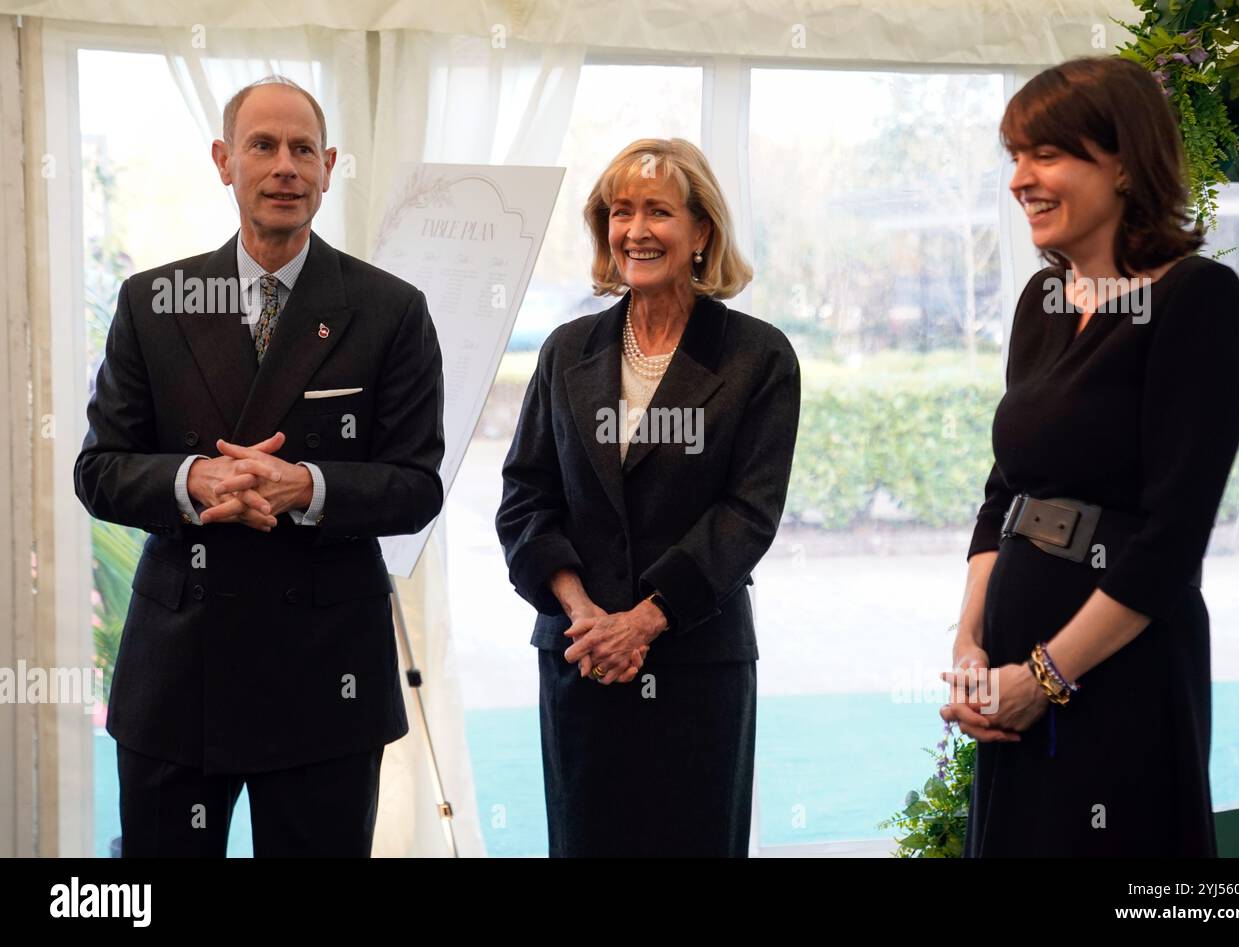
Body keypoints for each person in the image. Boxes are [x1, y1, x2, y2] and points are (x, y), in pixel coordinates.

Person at [74, 75, 445, 857]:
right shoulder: (153, 301)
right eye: (263, 146)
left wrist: (307, 486)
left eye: (303, 149)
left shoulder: (391, 309)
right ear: (224, 160)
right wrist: (191, 480)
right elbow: (100, 469)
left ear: (329, 165)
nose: (285, 166)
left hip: (326, 673)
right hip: (180, 675)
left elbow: (416, 486)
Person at [942, 56, 1239, 856]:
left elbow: (1172, 539)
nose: (1020, 180)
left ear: (1122, 161)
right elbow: (1000, 496)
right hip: (1011, 667)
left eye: (1045, 155)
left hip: (1122, 671)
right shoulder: (1041, 304)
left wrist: (1045, 679)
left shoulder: (1198, 300)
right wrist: (972, 648)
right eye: (1013, 157)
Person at [496, 138, 800, 856]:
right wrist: (585, 615)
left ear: (702, 232)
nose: (635, 230)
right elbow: (524, 498)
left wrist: (643, 621)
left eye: (658, 211)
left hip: (698, 665)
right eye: (620, 211)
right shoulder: (566, 350)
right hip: (580, 657)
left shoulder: (759, 356)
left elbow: (747, 514)